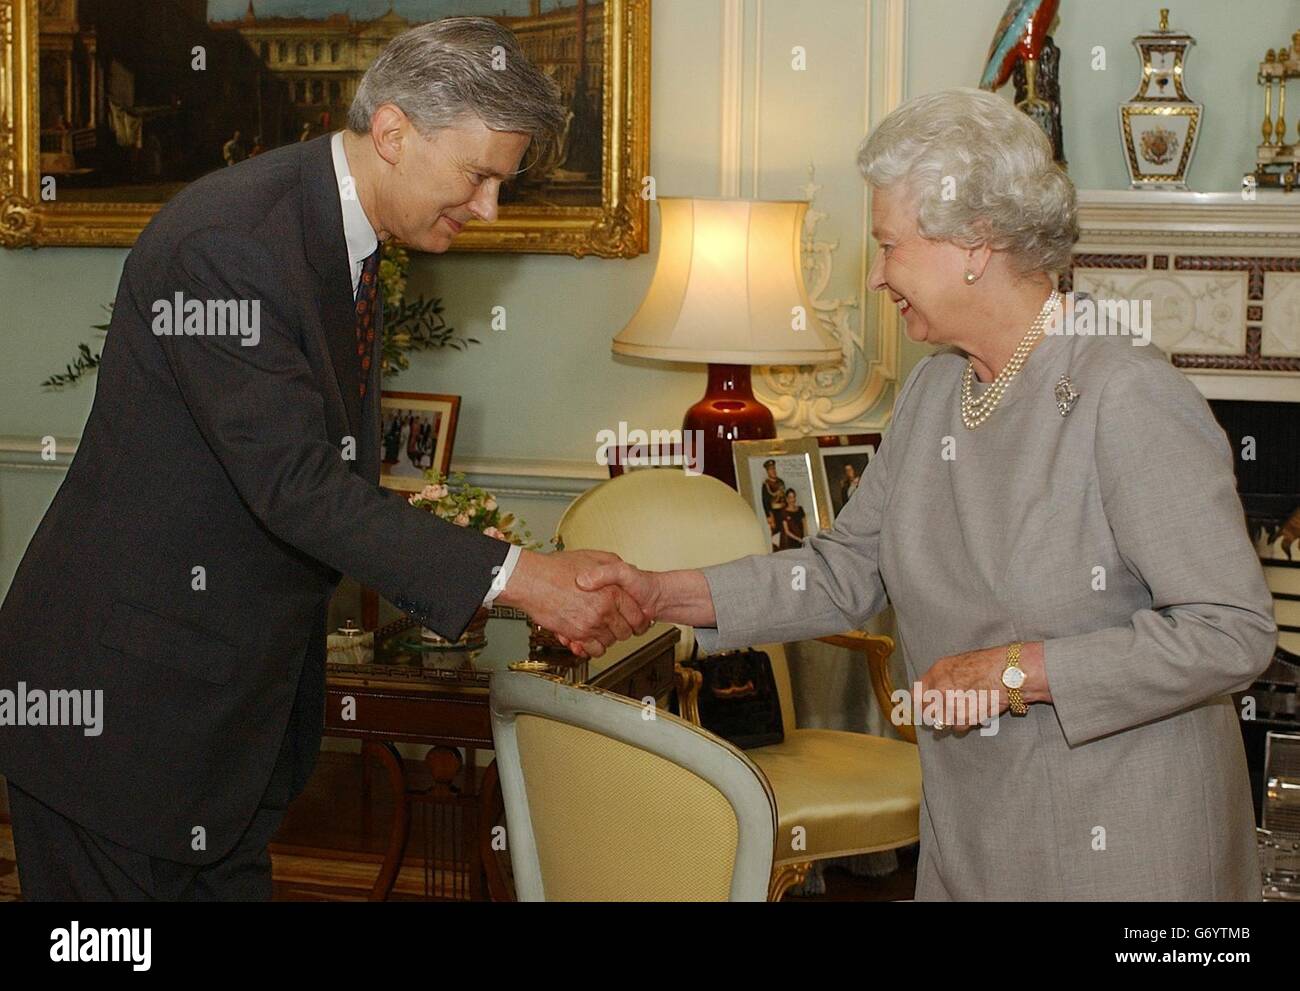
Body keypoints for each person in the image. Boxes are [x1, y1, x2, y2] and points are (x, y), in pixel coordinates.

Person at [0, 18, 647, 902]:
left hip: (219, 738)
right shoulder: (227, 246)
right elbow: (299, 488)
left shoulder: (333, 233)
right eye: (480, 175)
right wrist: (522, 577)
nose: (490, 207)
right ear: (392, 133)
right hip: (124, 719)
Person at [576, 88, 1277, 900]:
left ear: (975, 243)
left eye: (888, 246)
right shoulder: (935, 390)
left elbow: (1232, 631)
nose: (874, 276)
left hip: (1122, 836)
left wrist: (1020, 671)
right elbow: (847, 569)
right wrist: (663, 590)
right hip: (975, 823)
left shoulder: (1125, 396)